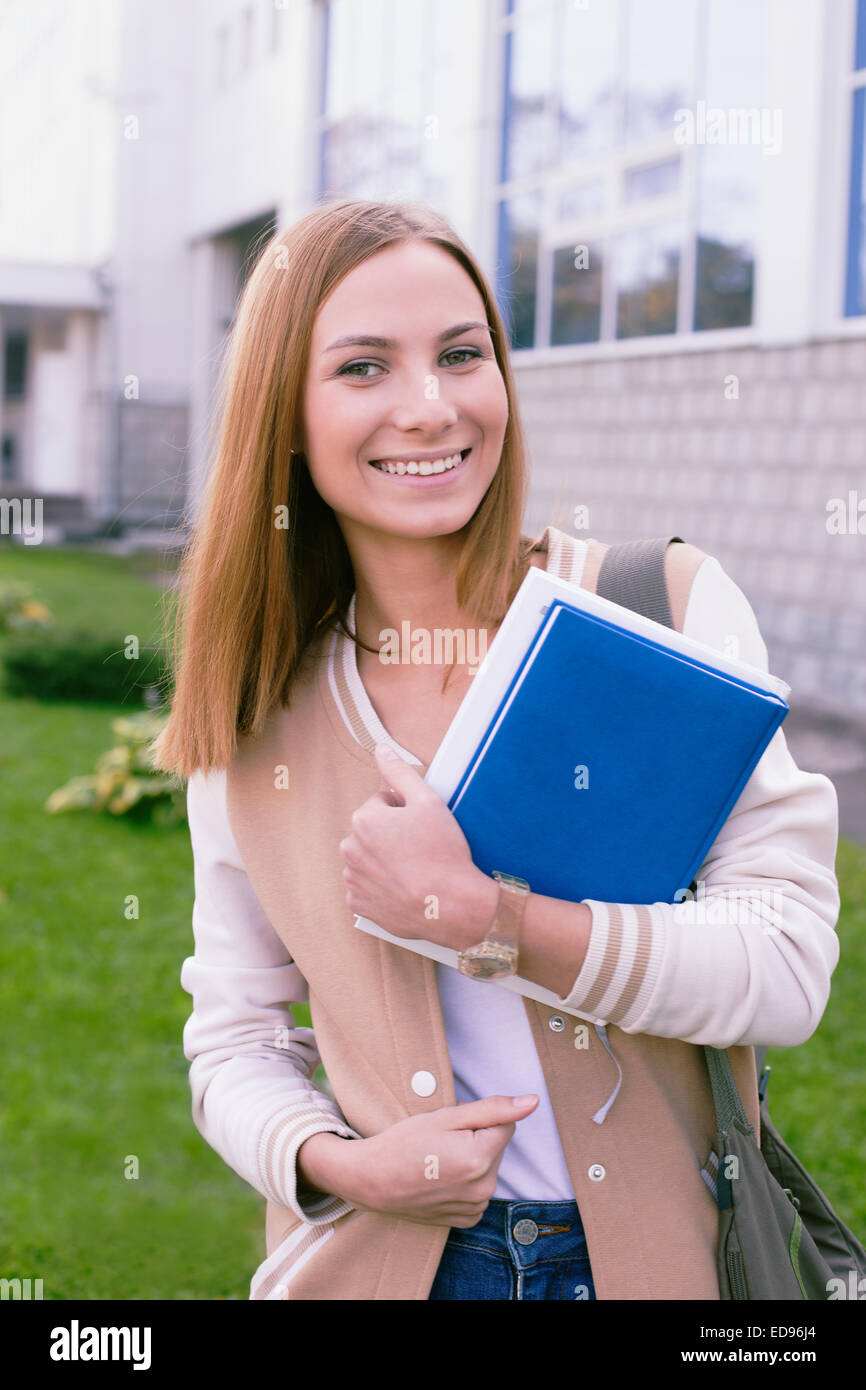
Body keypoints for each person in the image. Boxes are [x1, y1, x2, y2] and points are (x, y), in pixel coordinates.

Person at [150, 199, 841, 1301]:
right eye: (364, 368)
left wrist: (490, 921)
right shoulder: (253, 707)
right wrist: (340, 1165)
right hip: (376, 1265)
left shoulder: (653, 612)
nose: (429, 408)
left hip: (664, 1268)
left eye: (460, 354)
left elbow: (786, 969)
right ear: (282, 412)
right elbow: (234, 1033)